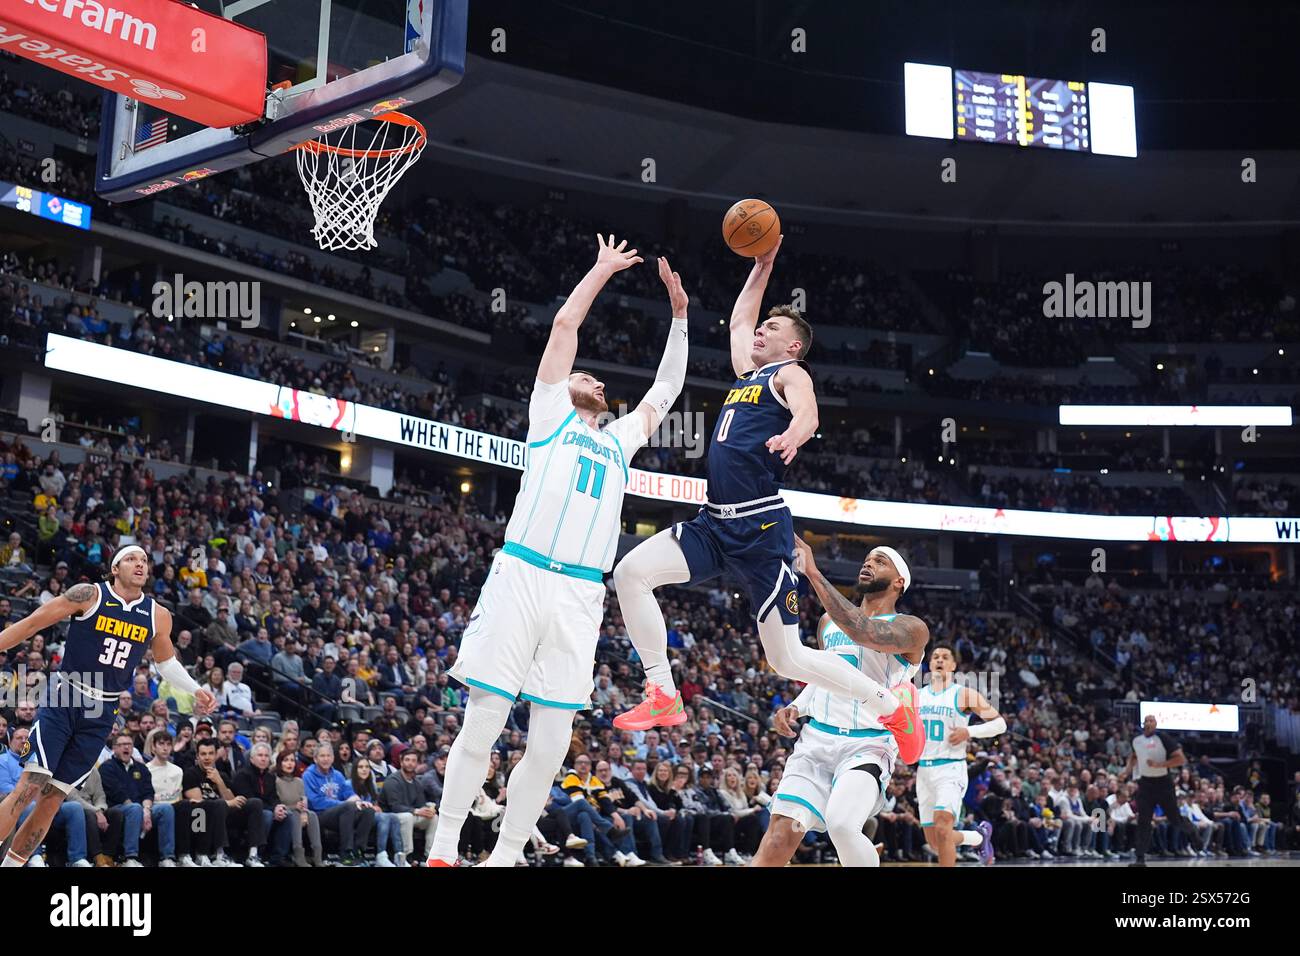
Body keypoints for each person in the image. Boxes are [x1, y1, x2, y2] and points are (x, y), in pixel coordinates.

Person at [613, 237, 923, 770]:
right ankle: (662, 693)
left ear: (793, 348)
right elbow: (739, 321)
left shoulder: (789, 375)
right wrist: (764, 265)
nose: (761, 331)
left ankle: (891, 709)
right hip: (714, 523)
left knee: (786, 659)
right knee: (629, 573)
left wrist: (796, 435)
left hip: (760, 529)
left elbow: (809, 413)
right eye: (764, 327)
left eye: (773, 330)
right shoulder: (748, 371)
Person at [427, 237, 688, 868]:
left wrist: (679, 317)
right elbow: (567, 324)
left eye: (596, 377)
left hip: (578, 592)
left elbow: (666, 390)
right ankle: (442, 849)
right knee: (484, 723)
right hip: (521, 574)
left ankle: (505, 855)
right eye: (584, 373)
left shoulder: (620, 440)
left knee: (549, 743)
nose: (593, 376)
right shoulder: (548, 415)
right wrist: (600, 271)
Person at [0, 545, 215, 867]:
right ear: (115, 568)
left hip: (103, 711)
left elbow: (166, 662)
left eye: (144, 559)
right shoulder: (88, 595)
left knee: (52, 799)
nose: (140, 564)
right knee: (30, 785)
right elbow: (32, 623)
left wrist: (196, 689)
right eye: (131, 558)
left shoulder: (158, 614)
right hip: (67, 696)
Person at [751, 543, 929, 868]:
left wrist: (813, 574)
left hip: (868, 743)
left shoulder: (911, 628)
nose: (869, 563)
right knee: (779, 837)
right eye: (867, 558)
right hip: (816, 741)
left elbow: (865, 633)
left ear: (899, 581)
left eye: (880, 561)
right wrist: (797, 706)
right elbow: (825, 674)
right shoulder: (826, 623)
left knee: (843, 825)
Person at [913, 645, 1003, 866]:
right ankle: (979, 838)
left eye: (945, 657)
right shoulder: (917, 696)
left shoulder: (963, 694)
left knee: (944, 829)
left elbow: (1000, 724)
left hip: (950, 768)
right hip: (923, 770)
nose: (939, 660)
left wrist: (969, 731)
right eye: (935, 657)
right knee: (935, 842)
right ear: (929, 664)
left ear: (953, 666)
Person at [1123, 715, 1197, 867]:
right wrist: (1127, 770)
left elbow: (1180, 759)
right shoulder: (1136, 740)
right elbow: (1134, 755)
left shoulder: (1163, 738)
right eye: (1147, 720)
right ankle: (1140, 859)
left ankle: (1193, 833)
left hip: (1163, 784)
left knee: (1175, 820)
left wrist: (1159, 765)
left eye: (1152, 720)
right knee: (1143, 821)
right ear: (1143, 724)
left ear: (1156, 724)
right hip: (1145, 783)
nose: (1149, 723)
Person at [99, 731, 176, 867]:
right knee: (135, 808)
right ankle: (130, 857)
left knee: (166, 808)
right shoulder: (107, 768)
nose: (126, 748)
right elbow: (119, 794)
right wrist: (141, 810)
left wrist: (146, 810)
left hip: (141, 808)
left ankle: (167, 857)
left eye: (129, 744)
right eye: (122, 745)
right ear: (114, 748)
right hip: (118, 808)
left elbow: (148, 792)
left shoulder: (141, 768)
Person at [303, 742, 375, 866]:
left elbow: (348, 794)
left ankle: (358, 850)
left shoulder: (337, 775)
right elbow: (315, 802)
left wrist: (360, 802)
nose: (326, 759)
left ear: (333, 758)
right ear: (315, 759)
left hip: (342, 812)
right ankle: (345, 852)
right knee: (348, 807)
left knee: (368, 810)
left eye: (328, 756)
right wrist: (343, 803)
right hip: (319, 815)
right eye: (322, 756)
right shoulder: (308, 775)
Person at [179, 738, 241, 867]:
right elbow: (198, 802)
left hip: (221, 813)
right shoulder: (191, 774)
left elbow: (233, 801)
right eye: (203, 754)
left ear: (215, 755)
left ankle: (252, 855)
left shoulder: (222, 775)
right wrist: (226, 803)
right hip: (197, 816)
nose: (207, 757)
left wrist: (219, 782)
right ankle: (217, 854)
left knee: (253, 804)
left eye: (210, 753)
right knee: (213, 806)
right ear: (197, 756)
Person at [377, 748, 437, 866]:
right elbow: (394, 807)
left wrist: (428, 809)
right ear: (401, 762)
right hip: (390, 816)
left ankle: (429, 855)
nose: (410, 763)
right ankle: (406, 856)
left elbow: (420, 804)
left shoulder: (416, 782)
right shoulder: (393, 780)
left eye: (413, 760)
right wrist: (417, 811)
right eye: (407, 760)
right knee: (407, 817)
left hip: (410, 813)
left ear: (417, 763)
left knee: (433, 818)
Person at [275, 748, 321, 867]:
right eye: (286, 760)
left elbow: (303, 800)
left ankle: (318, 857)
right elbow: (277, 804)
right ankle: (298, 855)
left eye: (292, 760)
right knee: (295, 813)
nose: (289, 763)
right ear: (280, 763)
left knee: (312, 815)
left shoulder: (299, 781)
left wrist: (304, 812)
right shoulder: (276, 781)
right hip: (285, 813)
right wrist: (295, 807)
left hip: (300, 812)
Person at [144, 730, 184, 866]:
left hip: (174, 806)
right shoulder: (145, 770)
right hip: (154, 809)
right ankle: (167, 857)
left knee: (196, 810)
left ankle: (191, 855)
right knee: (166, 809)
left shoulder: (178, 770)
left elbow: (178, 795)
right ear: (153, 747)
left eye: (168, 744)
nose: (165, 748)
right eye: (161, 744)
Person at [352, 758, 399, 866]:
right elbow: (352, 805)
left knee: (393, 817)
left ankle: (399, 855)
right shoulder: (349, 783)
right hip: (356, 816)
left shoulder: (370, 785)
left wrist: (376, 807)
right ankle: (381, 855)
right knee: (384, 817)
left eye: (367, 767)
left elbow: (374, 803)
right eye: (360, 767)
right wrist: (372, 808)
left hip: (370, 816)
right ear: (355, 770)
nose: (364, 770)